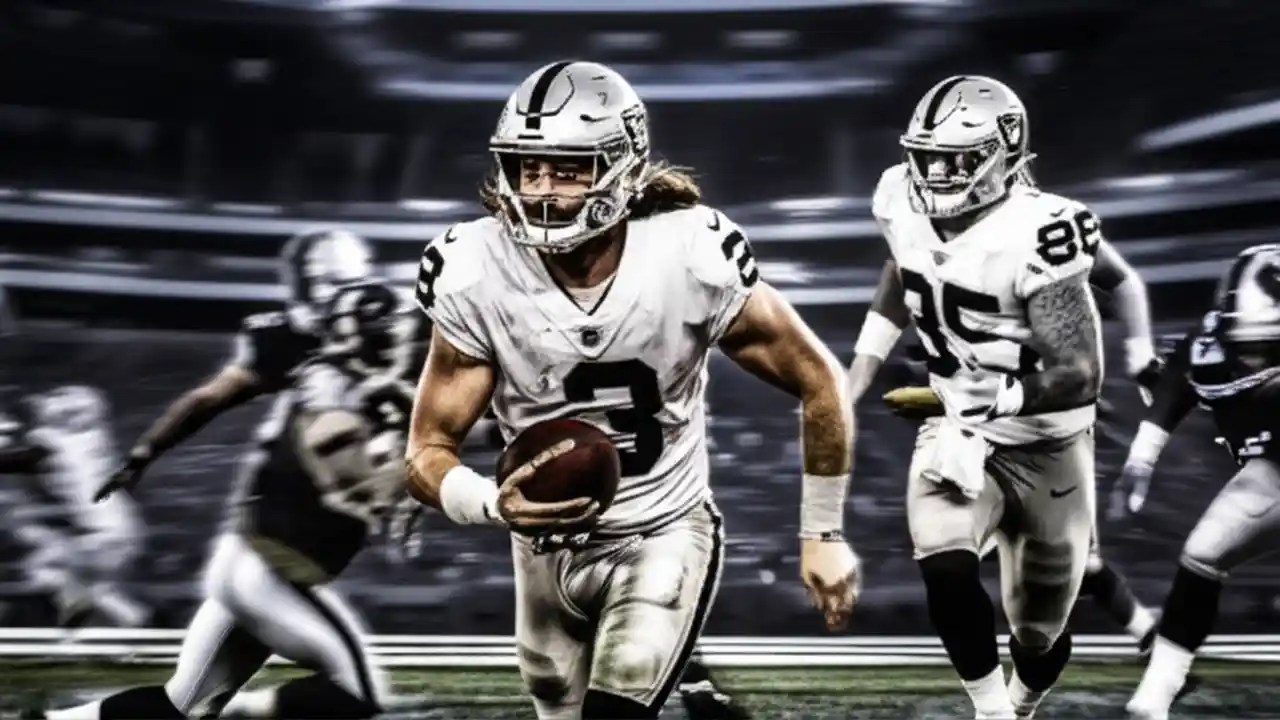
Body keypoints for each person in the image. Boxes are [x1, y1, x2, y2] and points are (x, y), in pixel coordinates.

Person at [404, 60, 859, 720]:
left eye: (568, 169)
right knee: (558, 702)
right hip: (542, 550)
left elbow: (818, 380)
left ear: (624, 166)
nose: (542, 190)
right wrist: (490, 503)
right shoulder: (474, 269)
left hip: (662, 530)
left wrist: (823, 531)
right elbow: (427, 450)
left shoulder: (690, 253)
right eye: (528, 168)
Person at [847, 75, 1106, 719]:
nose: (937, 173)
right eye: (928, 156)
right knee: (944, 563)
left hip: (1049, 444)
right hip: (959, 430)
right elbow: (904, 265)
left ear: (1005, 154)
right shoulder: (898, 198)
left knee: (1038, 636)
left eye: (959, 159)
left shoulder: (1041, 229)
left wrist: (1000, 397)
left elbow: (1080, 373)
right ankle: (992, 713)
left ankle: (1021, 703)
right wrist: (861, 367)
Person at [39, 280, 417, 719]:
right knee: (359, 694)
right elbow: (344, 463)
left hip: (244, 561)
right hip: (269, 572)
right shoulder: (335, 387)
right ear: (368, 335)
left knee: (181, 705)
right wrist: (408, 484)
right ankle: (241, 712)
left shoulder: (342, 381)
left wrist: (144, 453)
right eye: (392, 331)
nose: (402, 340)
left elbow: (210, 401)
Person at [882, 234, 1164, 654]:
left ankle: (1143, 635)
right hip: (984, 439)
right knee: (955, 548)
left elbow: (1075, 351)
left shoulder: (1039, 264)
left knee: (1079, 564)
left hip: (1038, 438)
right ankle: (1135, 634)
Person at [1118, 244, 1280, 719]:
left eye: (1267, 348)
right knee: (1204, 552)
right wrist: (1141, 459)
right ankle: (1158, 692)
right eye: (1245, 346)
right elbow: (1178, 384)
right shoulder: (1210, 344)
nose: (1252, 360)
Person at [0, 386, 151, 628]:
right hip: (123, 530)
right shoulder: (92, 439)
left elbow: (18, 460)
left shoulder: (54, 442)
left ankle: (114, 618)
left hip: (103, 535)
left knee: (43, 568)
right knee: (82, 580)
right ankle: (124, 620)